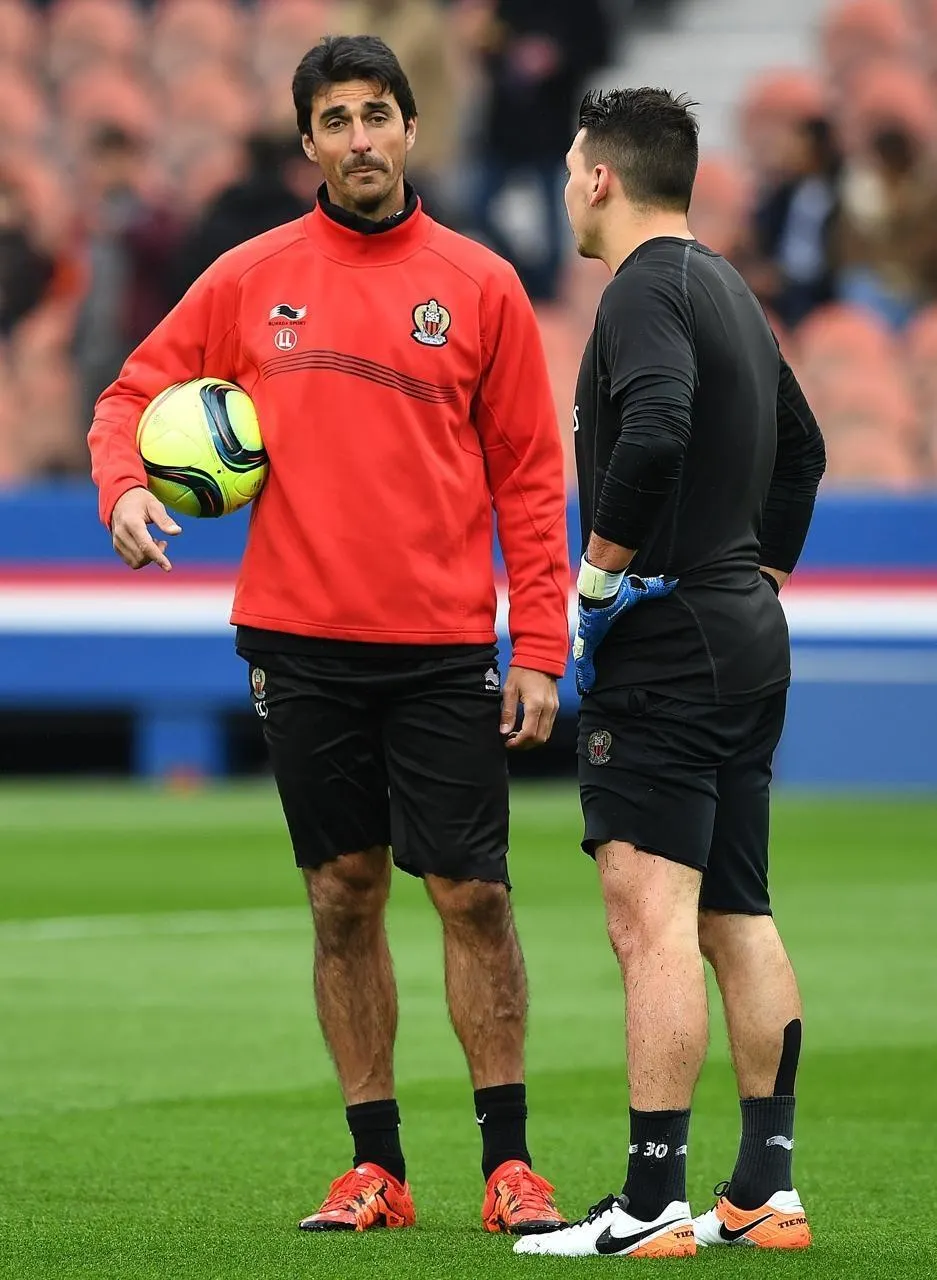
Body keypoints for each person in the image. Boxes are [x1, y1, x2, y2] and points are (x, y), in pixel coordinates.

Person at [87, 35, 571, 1238]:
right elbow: (126, 398)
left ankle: (509, 1163)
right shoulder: (248, 277)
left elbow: (529, 478)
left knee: (474, 898)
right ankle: (377, 1169)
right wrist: (122, 489)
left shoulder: (482, 284)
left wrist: (542, 647)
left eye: (377, 115)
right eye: (335, 120)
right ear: (307, 142)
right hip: (298, 642)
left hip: (442, 642)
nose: (359, 138)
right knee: (341, 897)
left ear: (410, 129)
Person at [515, 88, 826, 1260]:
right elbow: (804, 448)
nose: (563, 187)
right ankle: (764, 1188)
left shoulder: (642, 289)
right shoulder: (730, 287)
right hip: (742, 632)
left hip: (670, 637)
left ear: (598, 178)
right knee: (737, 912)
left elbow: (652, 425)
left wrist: (598, 576)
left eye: (566, 169)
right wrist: (759, 573)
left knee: (650, 920)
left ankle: (649, 1203)